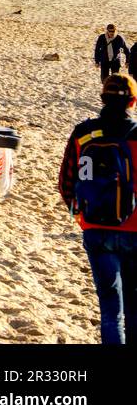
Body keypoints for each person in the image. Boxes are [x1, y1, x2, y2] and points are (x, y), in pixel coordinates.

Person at [57, 74, 137, 344]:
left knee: (110, 309)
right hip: (134, 230)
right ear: (133, 101)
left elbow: (66, 182)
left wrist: (80, 215)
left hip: (96, 228)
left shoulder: (83, 133)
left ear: (102, 98)